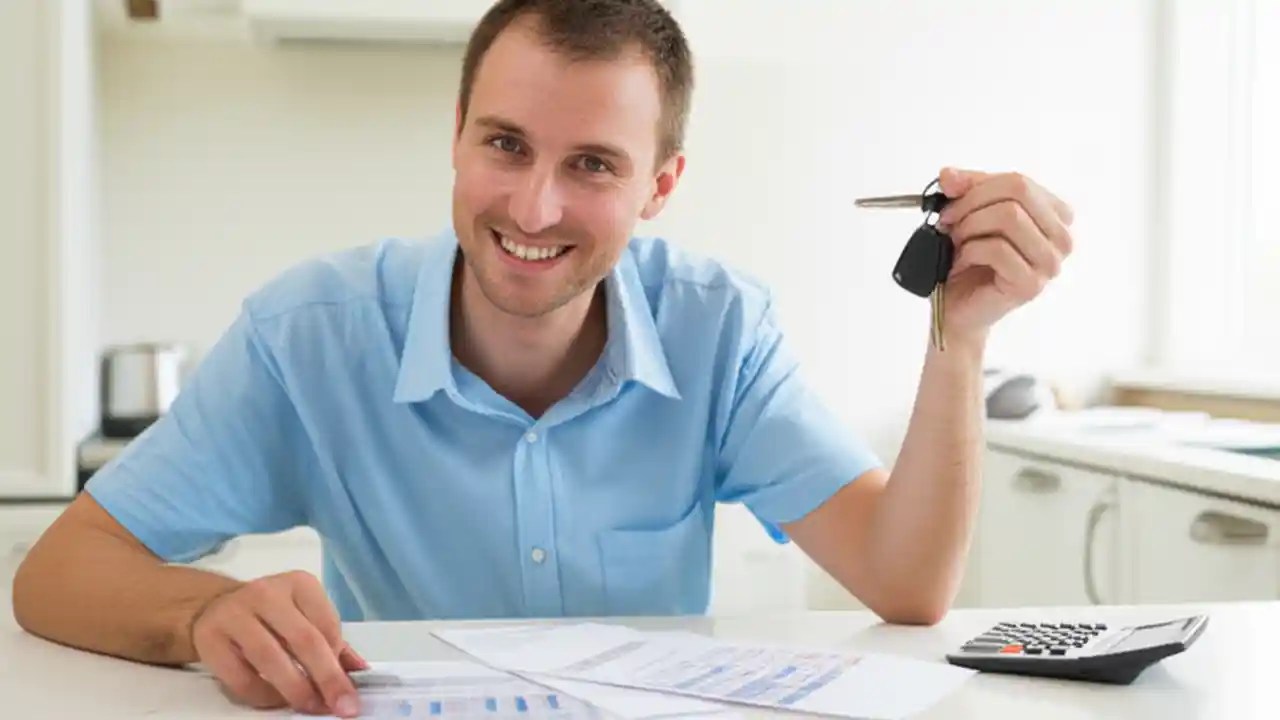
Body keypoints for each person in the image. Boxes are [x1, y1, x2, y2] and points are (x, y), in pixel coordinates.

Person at [13, 0, 1075, 716]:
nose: (533, 208)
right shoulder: (308, 336)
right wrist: (199, 613)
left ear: (659, 187)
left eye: (593, 165)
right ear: (457, 134)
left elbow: (905, 582)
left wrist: (961, 335)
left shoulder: (719, 330)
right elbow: (58, 572)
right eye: (506, 144)